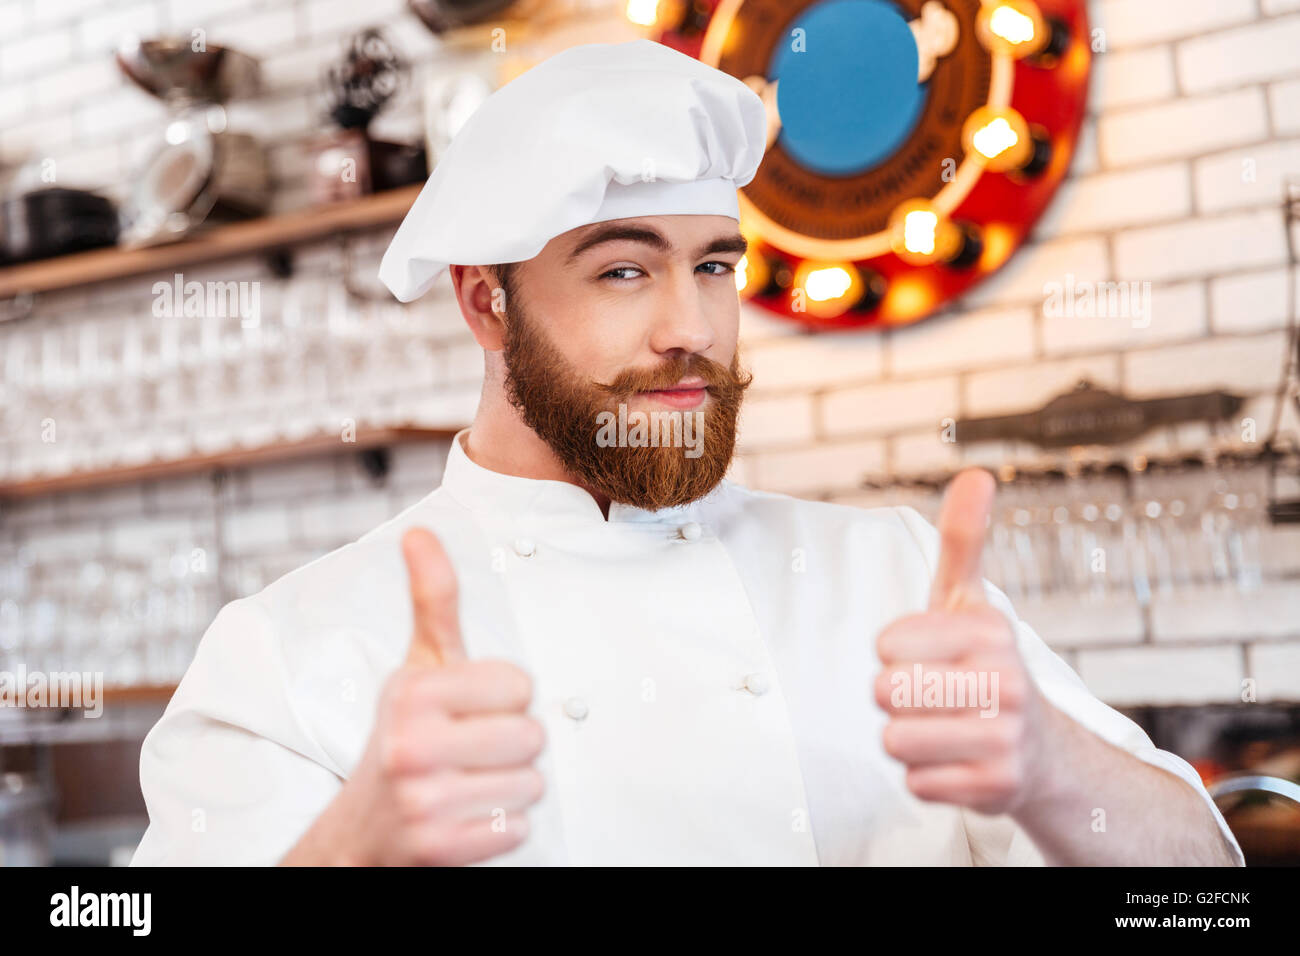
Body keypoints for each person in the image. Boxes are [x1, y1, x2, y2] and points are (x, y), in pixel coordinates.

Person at [132, 39, 1243, 866]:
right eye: (624, 269)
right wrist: (355, 847)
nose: (692, 328)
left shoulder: (897, 575)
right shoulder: (293, 652)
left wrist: (1052, 770)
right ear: (485, 302)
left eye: (714, 265)